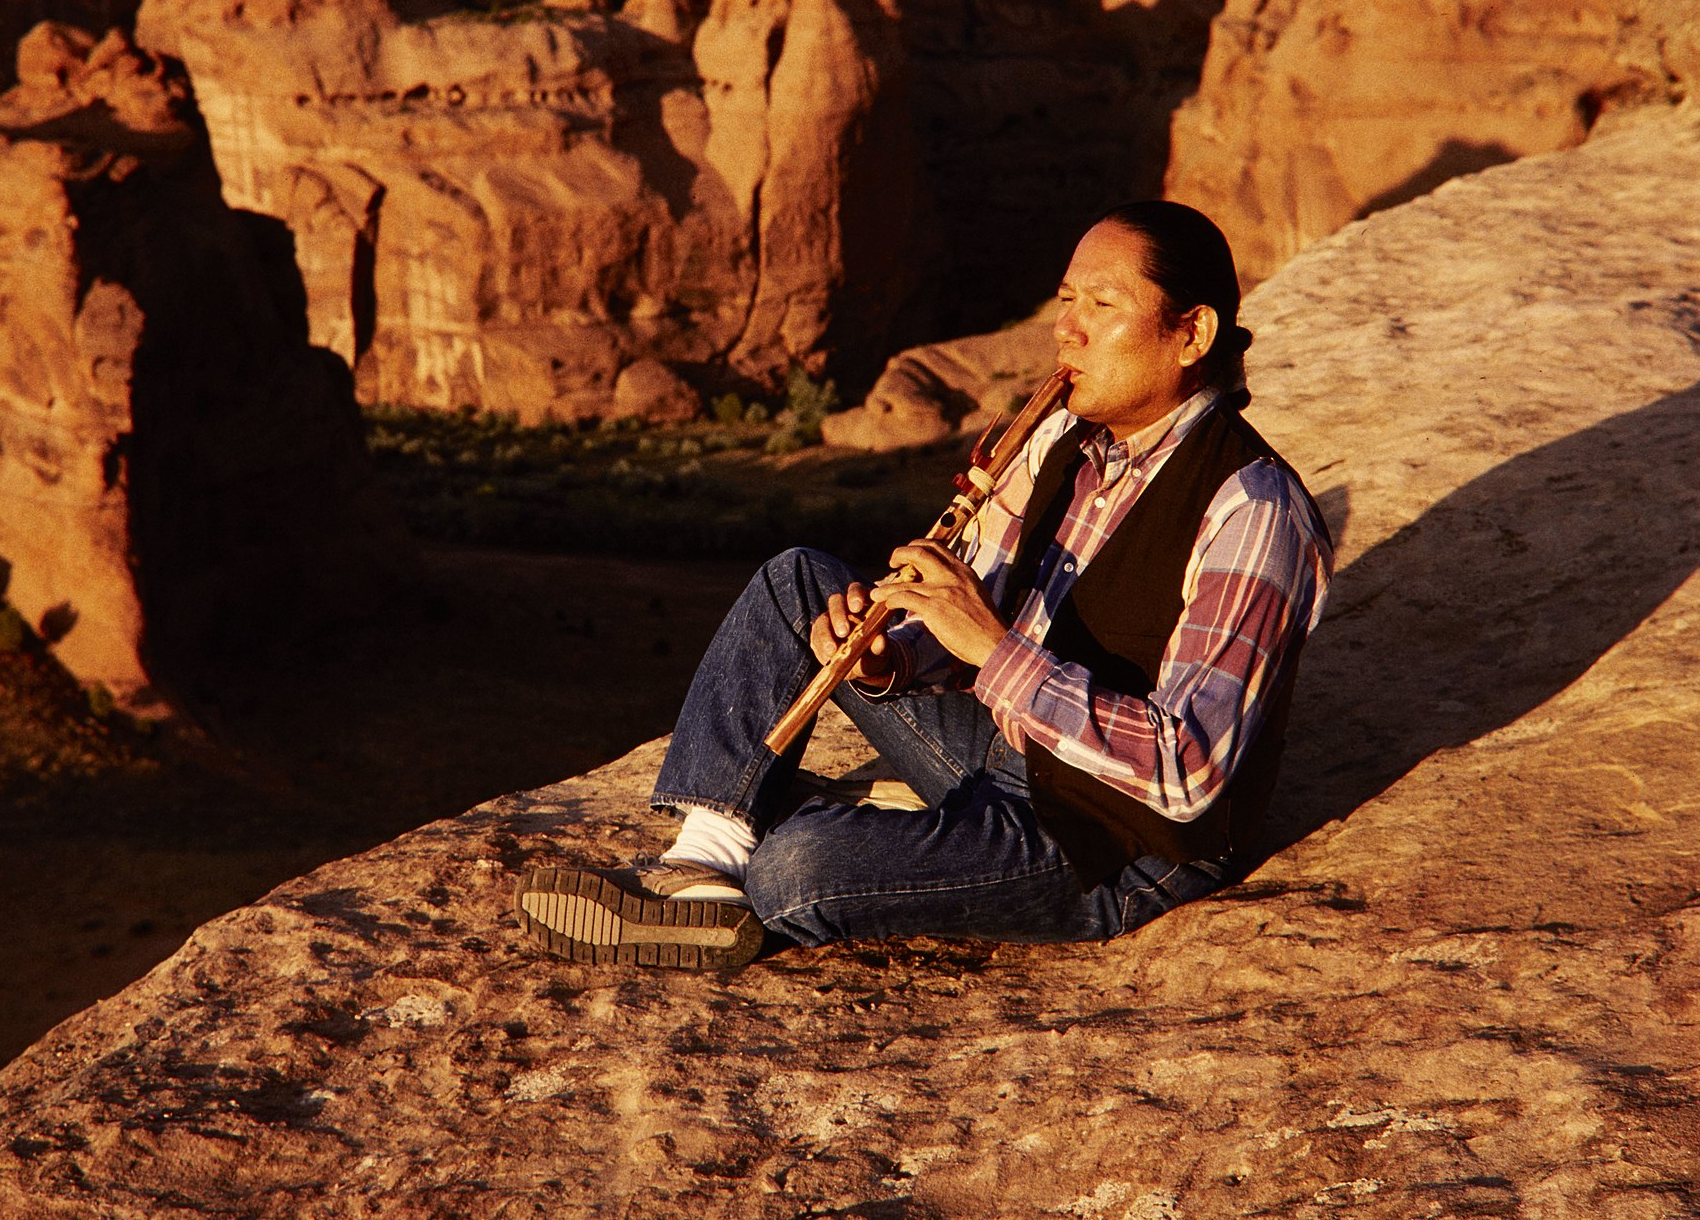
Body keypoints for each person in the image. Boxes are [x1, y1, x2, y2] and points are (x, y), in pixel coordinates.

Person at [517, 202, 1332, 969]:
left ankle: (809, 835)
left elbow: (1188, 770)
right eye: (1066, 299)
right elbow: (965, 619)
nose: (1067, 330)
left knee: (799, 869)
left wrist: (992, 647)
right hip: (1012, 755)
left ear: (1191, 333)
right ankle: (701, 862)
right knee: (794, 582)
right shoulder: (1062, 441)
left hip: (1116, 842)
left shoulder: (1253, 510)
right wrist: (890, 659)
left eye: (1102, 305)